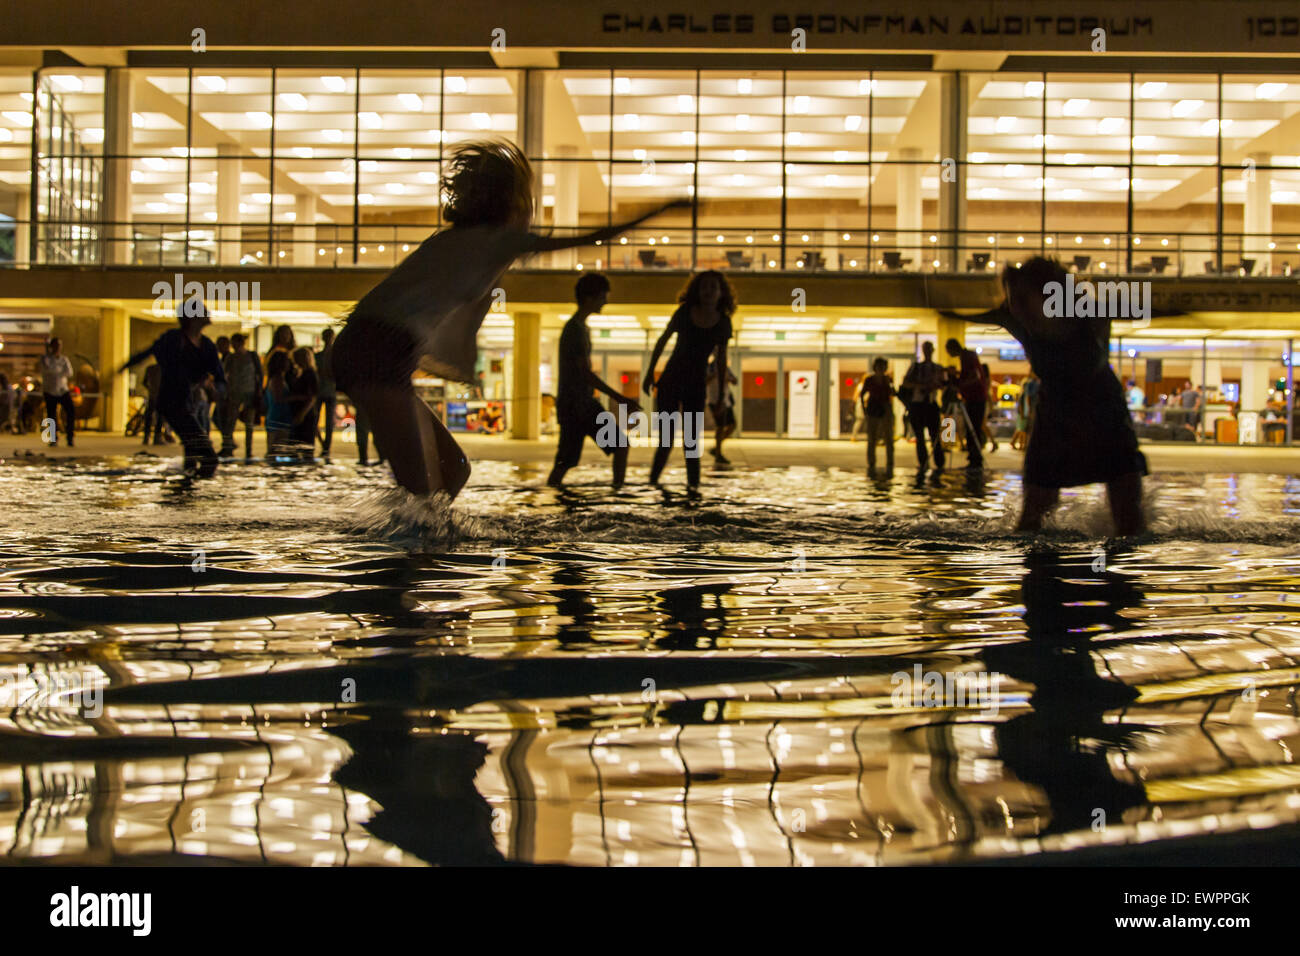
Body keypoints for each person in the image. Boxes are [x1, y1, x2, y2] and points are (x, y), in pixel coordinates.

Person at [331, 140, 688, 498]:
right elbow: (592, 238)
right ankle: (402, 548)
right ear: (513, 200)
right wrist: (658, 211)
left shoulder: (466, 242)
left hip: (383, 356)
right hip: (374, 354)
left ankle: (406, 537)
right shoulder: (496, 241)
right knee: (422, 493)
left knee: (453, 471)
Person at [948, 257, 1146, 535]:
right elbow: (967, 314)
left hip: (1104, 410)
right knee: (1033, 515)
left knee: (1128, 517)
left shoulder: (1089, 314)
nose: (1018, 308)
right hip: (1055, 410)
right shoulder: (1014, 317)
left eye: (1024, 300)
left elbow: (1143, 308)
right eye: (1013, 300)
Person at [546, 273, 641, 489]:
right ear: (590, 298)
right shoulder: (575, 330)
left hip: (575, 404)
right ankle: (617, 493)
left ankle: (553, 492)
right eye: (603, 296)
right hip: (578, 404)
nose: (605, 301)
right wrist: (619, 398)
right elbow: (585, 373)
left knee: (566, 460)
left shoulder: (579, 328)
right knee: (618, 445)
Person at [644, 270, 735, 490]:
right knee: (666, 440)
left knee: (692, 443)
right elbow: (662, 341)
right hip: (670, 381)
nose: (708, 291)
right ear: (697, 290)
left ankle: (693, 490)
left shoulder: (723, 322)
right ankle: (652, 483)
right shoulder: (684, 312)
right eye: (704, 286)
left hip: (696, 385)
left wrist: (722, 396)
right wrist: (650, 373)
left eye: (713, 287)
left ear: (721, 292)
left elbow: (722, 359)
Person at [120, 300, 227, 477]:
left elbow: (219, 376)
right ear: (192, 318)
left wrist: (217, 390)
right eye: (203, 311)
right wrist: (123, 367)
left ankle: (184, 491)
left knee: (192, 451)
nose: (208, 313)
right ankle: (187, 491)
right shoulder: (173, 340)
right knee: (209, 458)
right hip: (172, 403)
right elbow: (148, 352)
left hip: (189, 402)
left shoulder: (207, 346)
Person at [899, 340, 947, 482]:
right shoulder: (915, 367)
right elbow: (905, 383)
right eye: (925, 349)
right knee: (919, 437)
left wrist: (934, 385)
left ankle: (939, 463)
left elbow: (944, 385)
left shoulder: (937, 368)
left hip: (931, 405)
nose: (927, 351)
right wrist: (921, 385)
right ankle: (923, 463)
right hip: (917, 405)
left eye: (929, 349)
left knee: (935, 436)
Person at [945, 338, 987, 470]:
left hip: (975, 398)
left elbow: (974, 376)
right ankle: (974, 458)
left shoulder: (967, 357)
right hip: (974, 397)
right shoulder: (968, 356)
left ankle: (975, 459)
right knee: (972, 428)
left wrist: (961, 385)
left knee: (972, 428)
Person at [223, 333, 263, 459]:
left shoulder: (251, 356)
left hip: (249, 392)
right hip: (235, 392)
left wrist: (259, 390)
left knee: (248, 423)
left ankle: (248, 450)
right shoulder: (231, 357)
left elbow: (260, 374)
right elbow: (225, 373)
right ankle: (228, 447)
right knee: (231, 422)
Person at [861, 356, 897, 478]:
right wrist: (864, 409)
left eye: (883, 367)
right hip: (873, 408)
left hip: (885, 408)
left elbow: (893, 392)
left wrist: (889, 384)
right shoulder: (869, 380)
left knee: (889, 437)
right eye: (879, 367)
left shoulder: (888, 379)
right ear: (875, 368)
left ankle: (890, 462)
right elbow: (862, 394)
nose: (881, 369)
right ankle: (871, 462)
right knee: (872, 438)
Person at [37, 337, 76, 447]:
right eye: (56, 345)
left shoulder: (64, 359)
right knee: (51, 415)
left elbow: (69, 372)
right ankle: (53, 438)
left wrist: (56, 372)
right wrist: (59, 371)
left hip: (63, 390)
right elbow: (48, 371)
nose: (58, 348)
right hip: (50, 390)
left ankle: (70, 437)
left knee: (71, 411)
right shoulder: (46, 359)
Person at [706, 353, 738, 464]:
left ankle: (717, 448)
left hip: (725, 401)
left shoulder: (725, 368)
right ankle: (718, 453)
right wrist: (714, 375)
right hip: (714, 400)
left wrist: (731, 379)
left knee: (732, 425)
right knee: (720, 427)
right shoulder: (710, 367)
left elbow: (734, 380)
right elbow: (705, 380)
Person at [288, 347, 320, 454]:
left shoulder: (309, 374)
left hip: (305, 414)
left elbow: (312, 397)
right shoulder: (301, 373)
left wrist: (302, 414)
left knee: (304, 447)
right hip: (302, 413)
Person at [263, 350, 295, 456]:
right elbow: (278, 398)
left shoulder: (274, 378)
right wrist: (298, 397)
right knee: (276, 450)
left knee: (274, 449)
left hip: (274, 417)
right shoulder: (278, 379)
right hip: (279, 417)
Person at [316, 328, 338, 457]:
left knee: (328, 422)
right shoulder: (323, 356)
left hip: (328, 391)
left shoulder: (330, 356)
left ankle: (326, 446)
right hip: (323, 391)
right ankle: (324, 445)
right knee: (318, 421)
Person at [1012, 371, 1040, 451]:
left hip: (1024, 412)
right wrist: (1026, 412)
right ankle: (1021, 445)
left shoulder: (1024, 393)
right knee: (1022, 430)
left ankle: (1019, 444)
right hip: (1025, 413)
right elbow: (1024, 402)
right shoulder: (1027, 391)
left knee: (1021, 429)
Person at [980, 362, 1000, 453]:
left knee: (983, 425)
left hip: (985, 403)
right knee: (982, 425)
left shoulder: (985, 380)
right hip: (986, 402)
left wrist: (990, 405)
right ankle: (990, 442)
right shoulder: (986, 379)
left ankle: (993, 442)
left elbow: (986, 393)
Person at [850, 374, 867, 442]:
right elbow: (855, 396)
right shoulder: (861, 386)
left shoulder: (866, 386)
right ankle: (853, 436)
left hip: (866, 405)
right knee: (859, 420)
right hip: (860, 405)